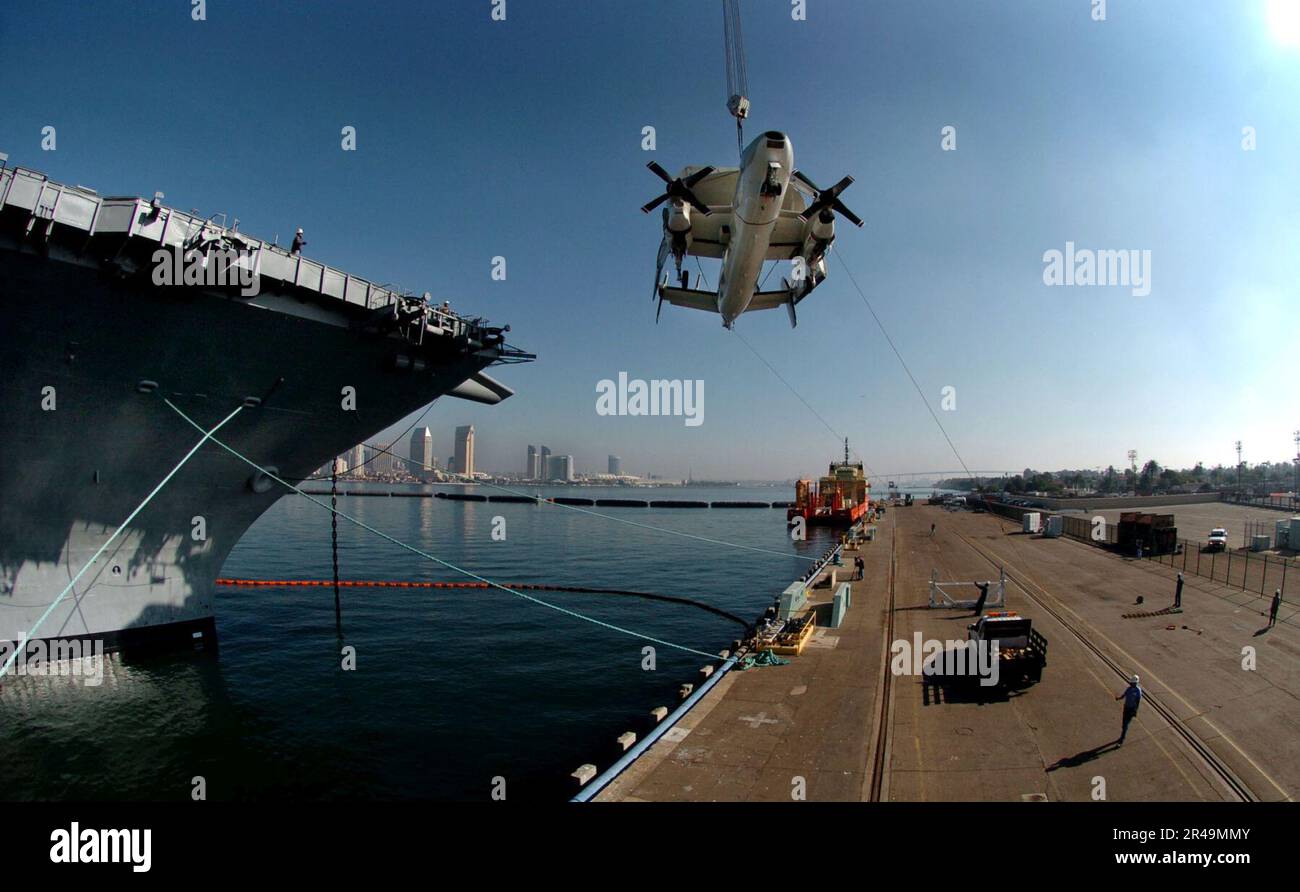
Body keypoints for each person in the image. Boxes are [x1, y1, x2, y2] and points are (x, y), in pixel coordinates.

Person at [1115, 675, 1143, 745]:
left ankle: (1122, 739)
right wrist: (1119, 698)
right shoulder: (1129, 689)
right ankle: (1123, 734)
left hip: (1131, 709)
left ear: (1136, 683)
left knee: (1126, 724)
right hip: (1126, 708)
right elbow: (1124, 695)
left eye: (1132, 683)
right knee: (1124, 724)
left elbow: (1138, 701)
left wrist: (1135, 710)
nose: (1131, 684)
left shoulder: (1138, 690)